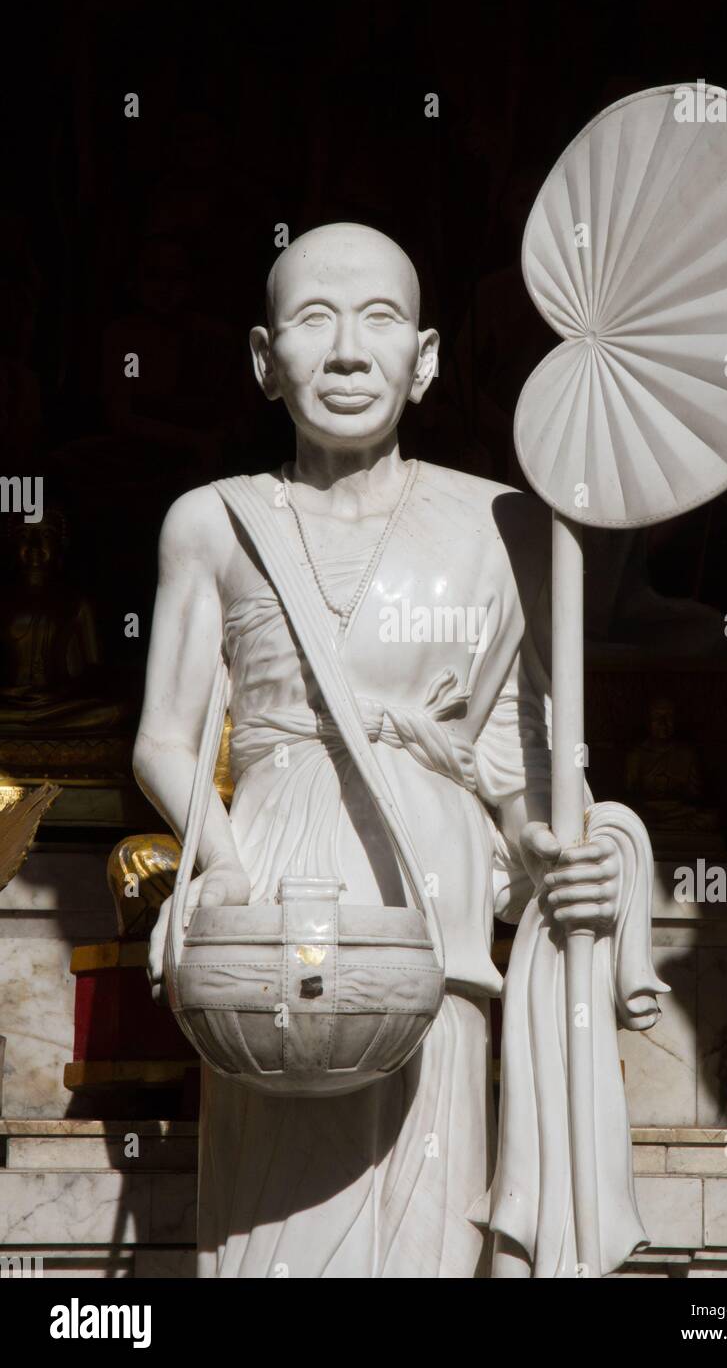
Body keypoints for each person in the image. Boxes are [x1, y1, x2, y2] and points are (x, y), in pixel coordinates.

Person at [136, 223, 658, 1278]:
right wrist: (225, 868)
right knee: (268, 1242)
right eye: (312, 320)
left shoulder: (505, 527)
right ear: (260, 356)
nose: (343, 351)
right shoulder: (212, 522)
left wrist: (585, 852)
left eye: (377, 320)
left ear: (421, 362)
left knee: (423, 1235)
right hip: (273, 922)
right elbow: (163, 737)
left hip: (438, 922)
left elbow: (529, 777)